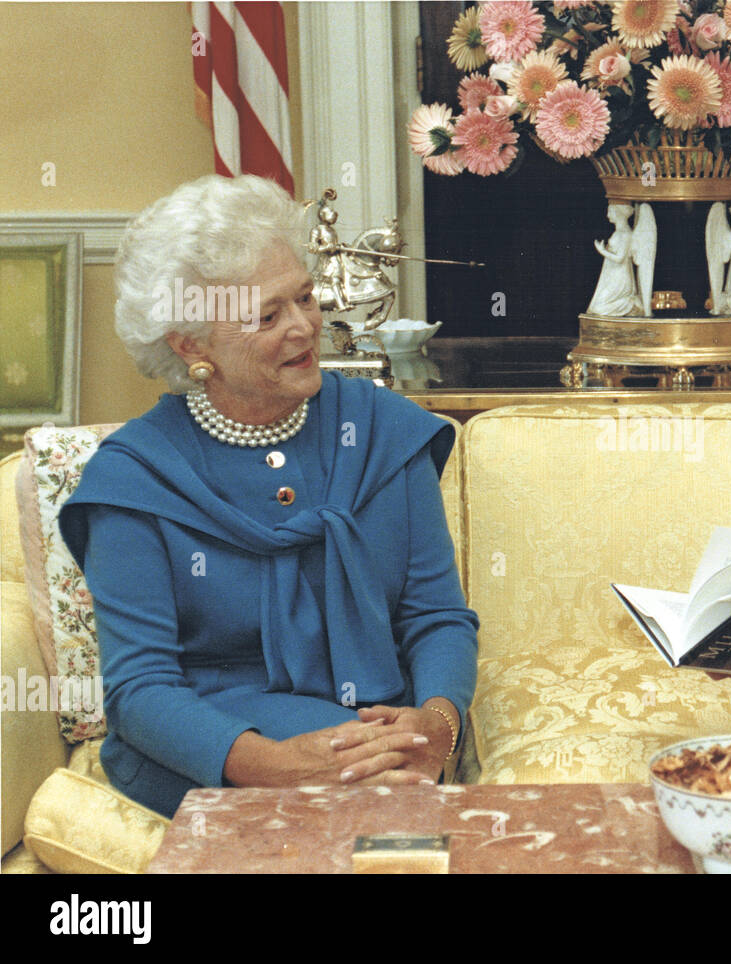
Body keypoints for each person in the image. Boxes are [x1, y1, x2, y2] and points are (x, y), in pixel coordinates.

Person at [58, 175, 478, 817]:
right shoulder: (135, 480)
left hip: (379, 739)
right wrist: (277, 767)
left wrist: (437, 728)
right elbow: (141, 691)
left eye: (304, 298)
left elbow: (436, 616)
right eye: (266, 315)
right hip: (215, 751)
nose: (305, 328)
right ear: (191, 345)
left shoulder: (383, 431)